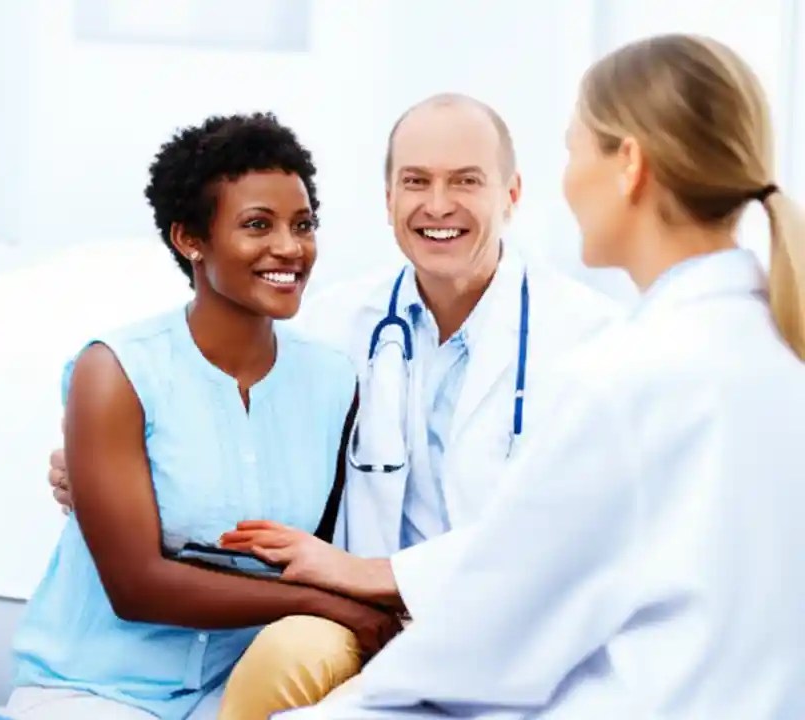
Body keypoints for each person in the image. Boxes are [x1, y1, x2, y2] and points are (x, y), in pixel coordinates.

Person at [272, 32, 805, 718]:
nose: (568, 179)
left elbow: (490, 643)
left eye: (574, 149)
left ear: (629, 166)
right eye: (416, 180)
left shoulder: (625, 373)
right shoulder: (768, 354)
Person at [47, 94, 621, 718]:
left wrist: (378, 574)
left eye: (466, 181)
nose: (437, 205)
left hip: (513, 631)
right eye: (415, 182)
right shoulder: (333, 329)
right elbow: (231, 429)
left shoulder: (593, 341)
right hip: (364, 628)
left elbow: (576, 531)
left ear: (510, 196)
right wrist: (111, 464)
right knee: (286, 658)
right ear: (387, 201)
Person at [8, 113, 401, 720]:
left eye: (303, 225)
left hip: (245, 687)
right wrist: (331, 608)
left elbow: (326, 548)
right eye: (256, 225)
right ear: (189, 239)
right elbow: (136, 586)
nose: (290, 248)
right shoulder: (116, 371)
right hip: (96, 689)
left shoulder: (334, 382)